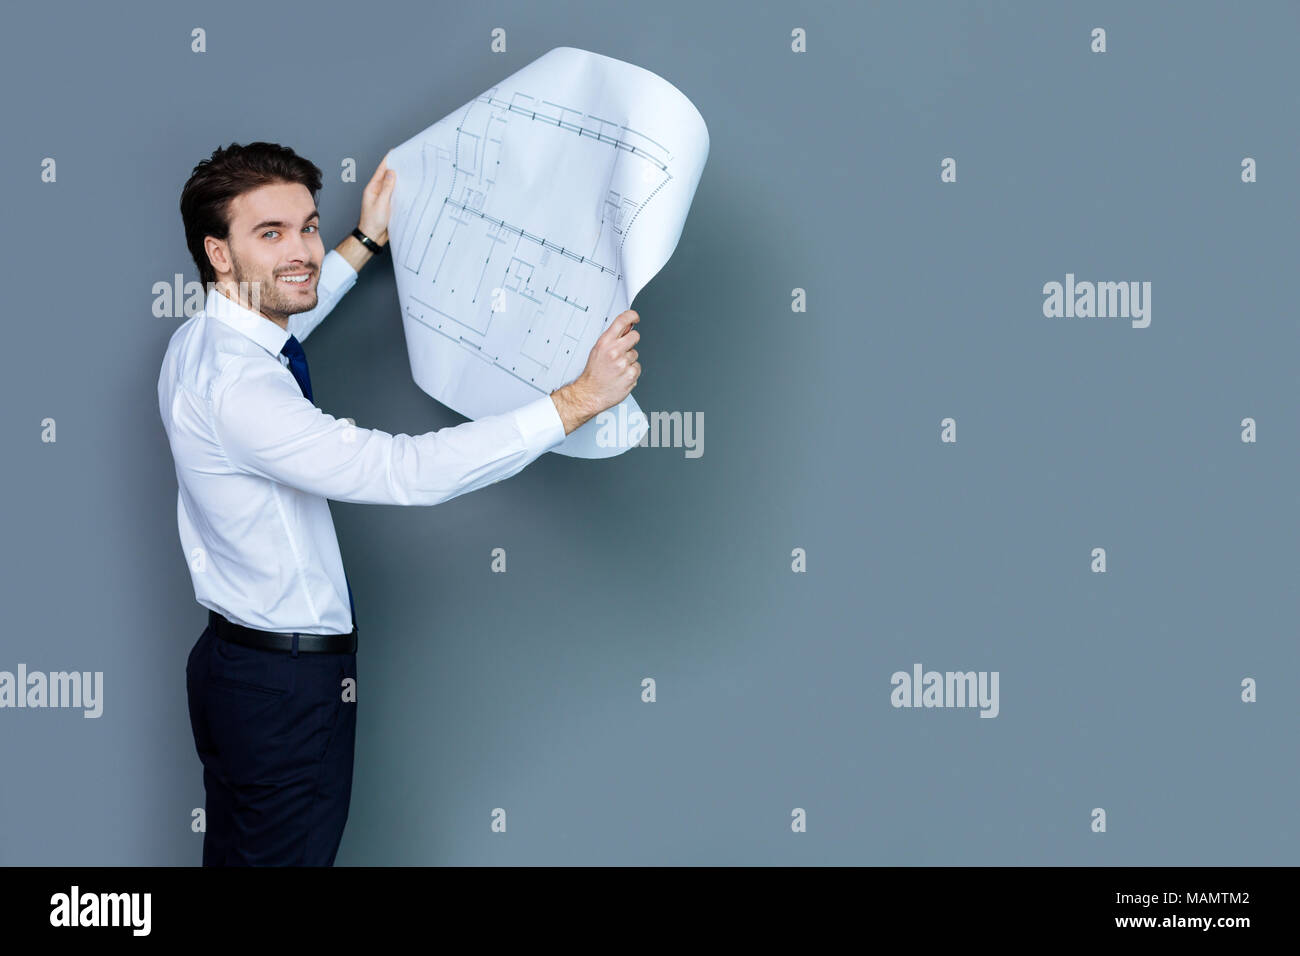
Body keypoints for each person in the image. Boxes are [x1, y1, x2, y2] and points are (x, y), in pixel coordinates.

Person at [157, 141, 641, 865]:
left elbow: (286, 325)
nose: (303, 252)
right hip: (285, 691)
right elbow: (402, 470)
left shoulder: (202, 342)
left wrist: (364, 241)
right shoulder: (241, 392)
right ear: (218, 253)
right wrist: (574, 403)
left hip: (234, 667)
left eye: (309, 227)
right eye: (271, 234)